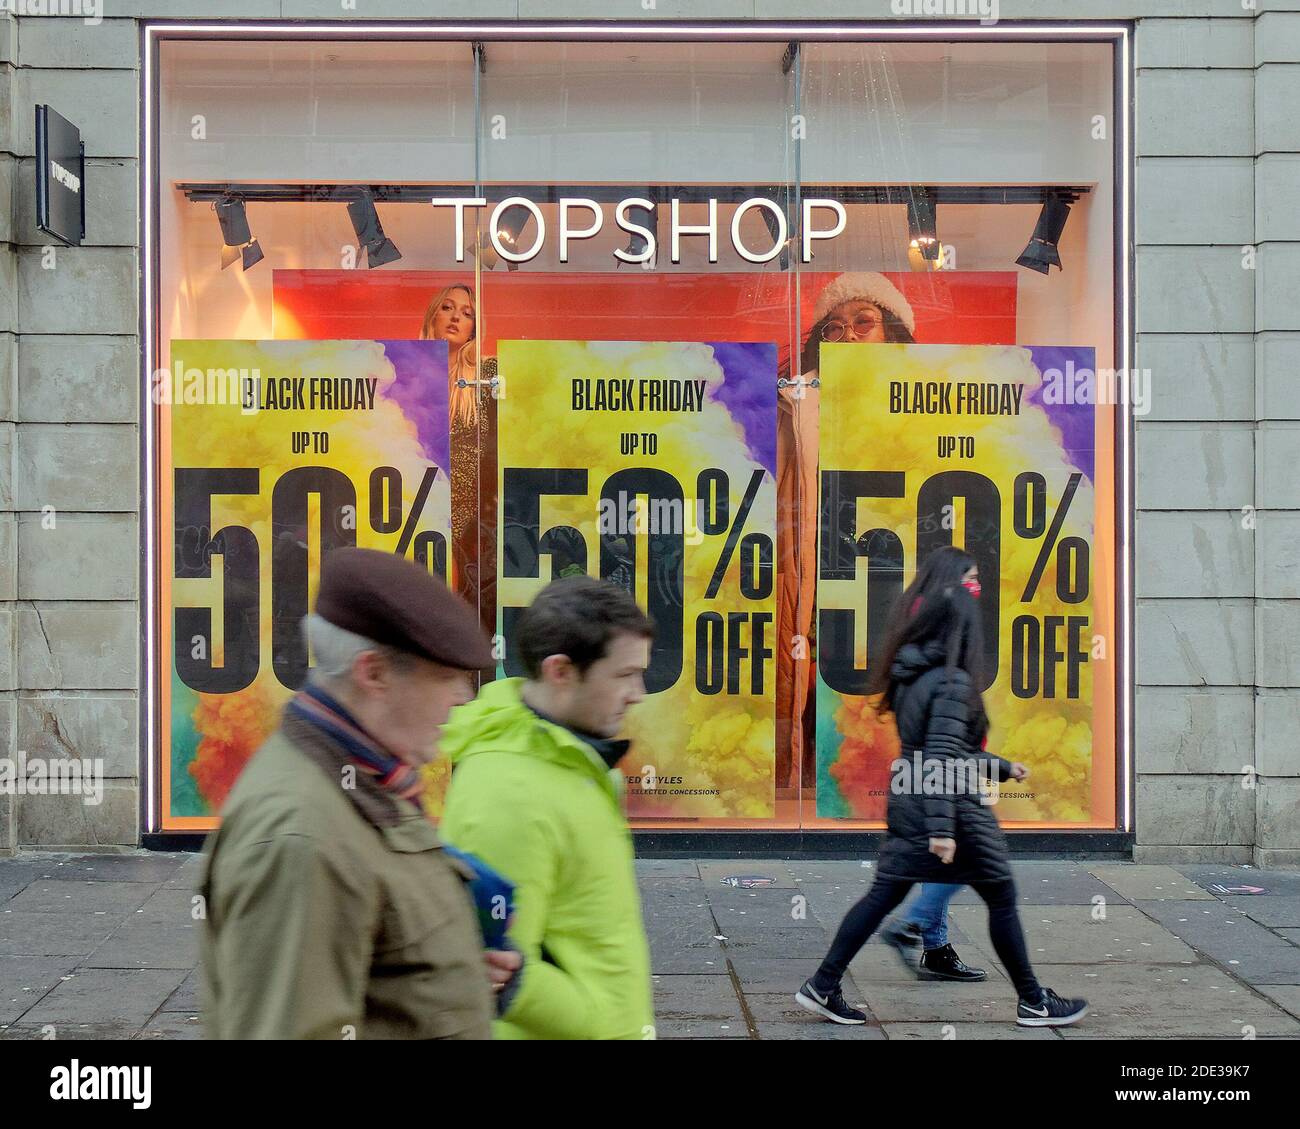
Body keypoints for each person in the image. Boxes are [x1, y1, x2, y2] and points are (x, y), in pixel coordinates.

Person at [199, 547, 519, 1039]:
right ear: (374, 674)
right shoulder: (301, 837)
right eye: (446, 676)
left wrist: (452, 977)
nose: (463, 697)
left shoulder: (365, 776)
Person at [795, 546, 1088, 1029]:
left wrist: (1000, 766)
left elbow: (936, 746)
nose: (977, 591)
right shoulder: (952, 680)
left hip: (912, 795)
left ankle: (823, 984)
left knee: (882, 896)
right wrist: (943, 830)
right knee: (1001, 895)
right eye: (970, 583)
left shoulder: (913, 672)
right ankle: (1033, 1002)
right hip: (951, 807)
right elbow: (943, 756)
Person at [436, 576, 656, 1040]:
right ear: (561, 671)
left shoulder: (571, 757)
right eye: (623, 675)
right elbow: (494, 976)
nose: (638, 692)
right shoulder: (508, 793)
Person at [776, 272, 917, 791]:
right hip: (821, 555)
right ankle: (821, 777)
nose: (850, 335)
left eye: (864, 322)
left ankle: (883, 777)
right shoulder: (800, 404)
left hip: (894, 558)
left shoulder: (923, 396)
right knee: (817, 669)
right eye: (834, 329)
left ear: (892, 332)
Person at [420, 283, 498, 639]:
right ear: (433, 316)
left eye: (467, 314)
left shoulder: (486, 376)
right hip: (419, 508)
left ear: (474, 329)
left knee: (465, 614)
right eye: (448, 308)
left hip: (470, 520)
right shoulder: (408, 374)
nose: (456, 317)